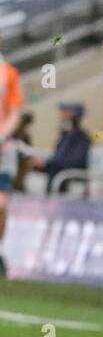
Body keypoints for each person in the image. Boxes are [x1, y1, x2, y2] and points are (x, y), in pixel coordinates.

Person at [0, 49, 26, 279]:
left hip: (2, 151)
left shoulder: (8, 74)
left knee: (1, 205)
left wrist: (2, 135)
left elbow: (15, 111)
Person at [30, 102, 91, 195]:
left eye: (66, 112)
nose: (61, 115)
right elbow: (57, 157)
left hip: (67, 185)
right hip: (56, 182)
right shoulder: (65, 135)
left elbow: (74, 162)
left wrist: (46, 163)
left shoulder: (82, 138)